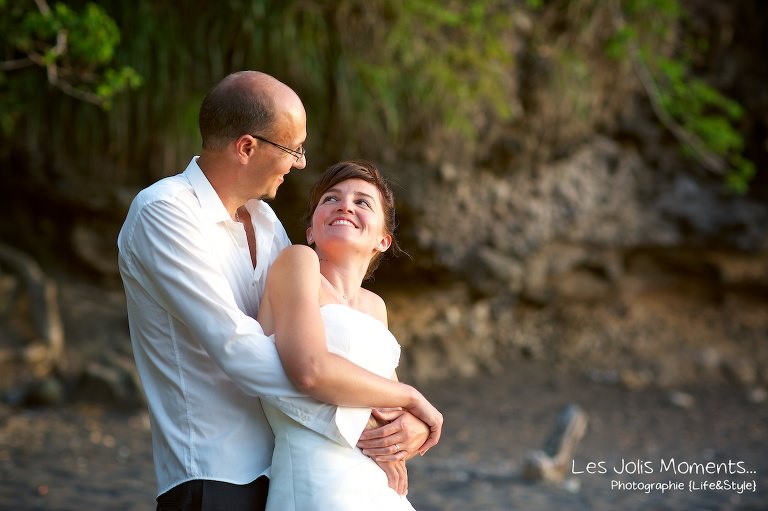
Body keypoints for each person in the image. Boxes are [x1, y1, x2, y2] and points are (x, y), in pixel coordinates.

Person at [117, 71, 442, 510]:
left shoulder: (266, 223)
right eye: (293, 148)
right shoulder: (165, 213)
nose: (301, 163)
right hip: (214, 472)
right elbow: (240, 348)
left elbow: (305, 327)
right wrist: (361, 417)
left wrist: (405, 424)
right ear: (247, 147)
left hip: (285, 464)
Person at [257, 160, 431, 510]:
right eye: (330, 199)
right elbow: (308, 368)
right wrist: (413, 398)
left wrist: (415, 429)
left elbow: (388, 406)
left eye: (363, 202)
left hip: (380, 481)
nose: (345, 205)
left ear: (383, 240)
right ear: (310, 231)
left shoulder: (375, 306)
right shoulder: (298, 263)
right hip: (321, 477)